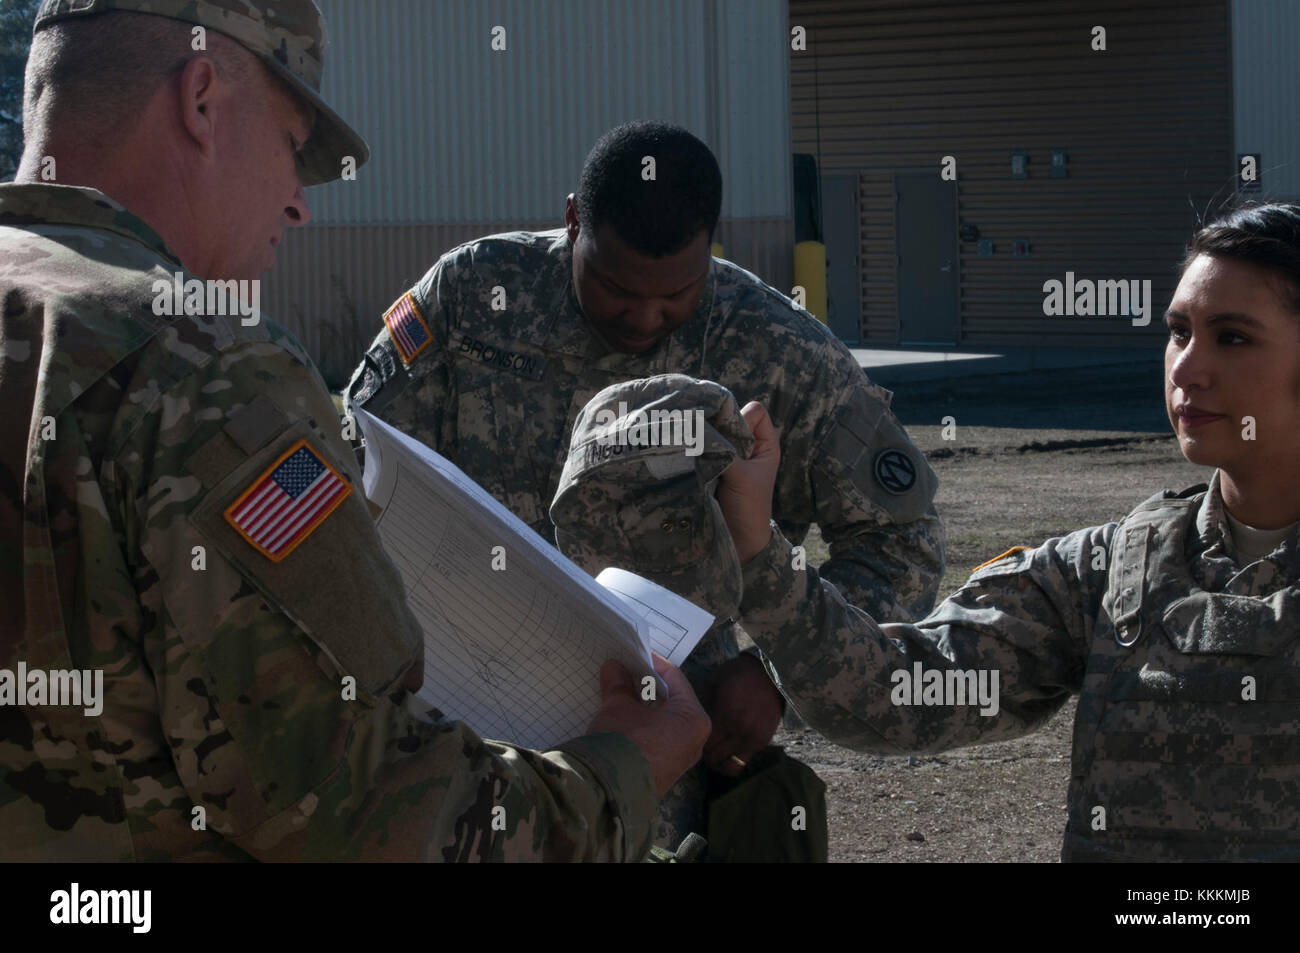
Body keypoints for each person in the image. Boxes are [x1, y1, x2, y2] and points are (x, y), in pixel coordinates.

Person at [0, 0, 708, 862]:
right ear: (199, 98)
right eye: (295, 151)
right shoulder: (207, 368)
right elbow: (366, 814)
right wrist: (628, 766)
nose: (299, 207)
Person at [346, 120, 944, 852]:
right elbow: (357, 462)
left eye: (677, 295)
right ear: (573, 222)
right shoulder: (475, 296)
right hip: (462, 727)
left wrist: (779, 668)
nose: (645, 316)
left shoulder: (777, 349)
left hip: (658, 768)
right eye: (616, 287)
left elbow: (903, 544)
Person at [719, 203, 1300, 861]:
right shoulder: (1113, 570)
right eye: (1178, 331)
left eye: (1233, 337)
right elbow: (893, 695)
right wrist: (758, 550)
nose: (1187, 368)